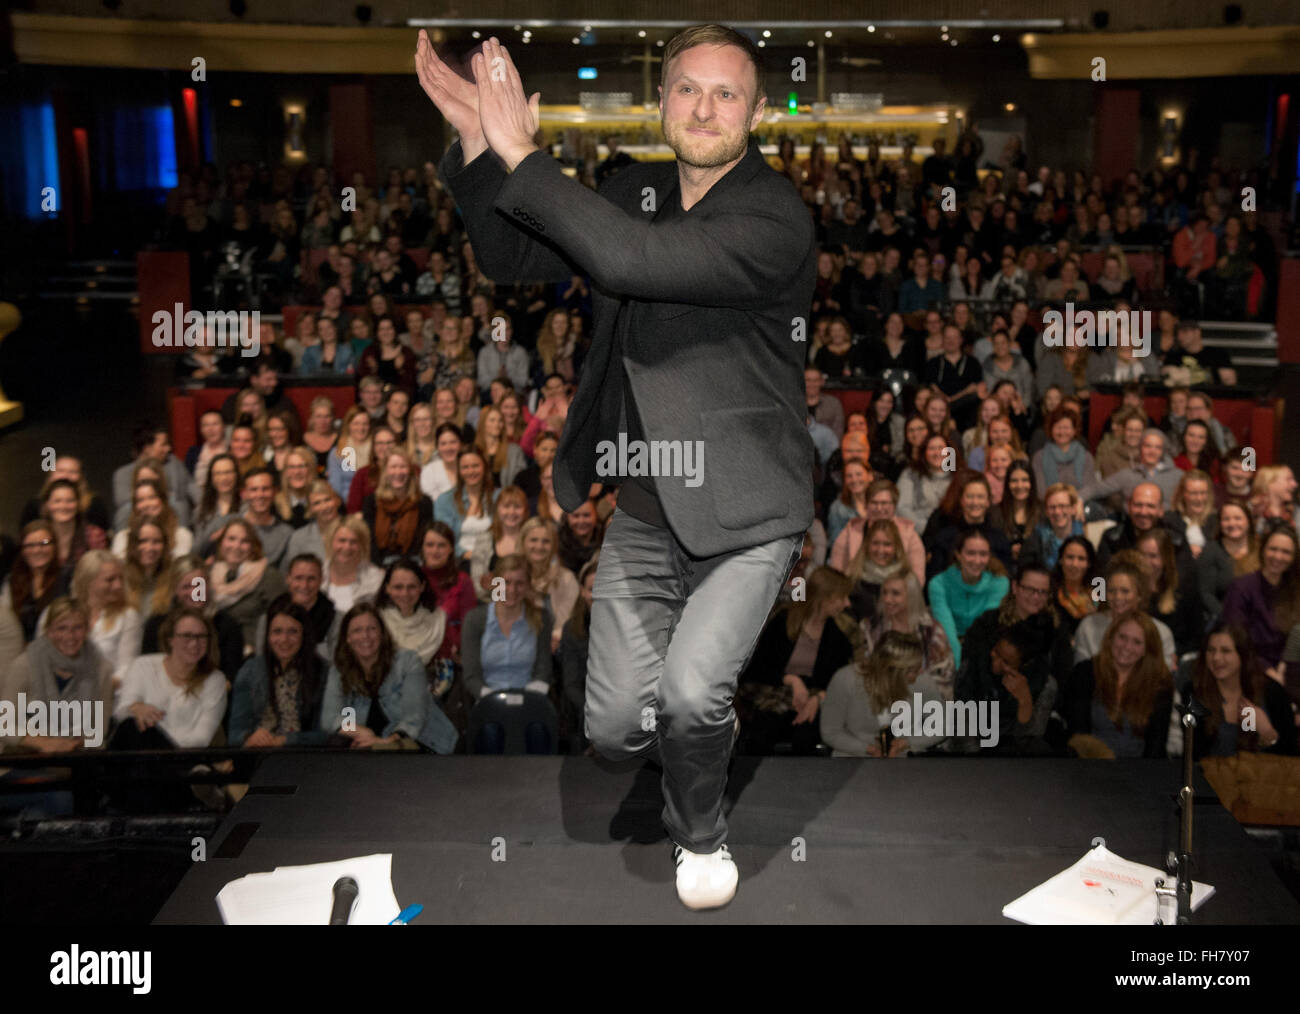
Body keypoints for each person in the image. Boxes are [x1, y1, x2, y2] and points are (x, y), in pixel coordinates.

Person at [423, 23, 815, 910]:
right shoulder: (631, 190)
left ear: (756, 111)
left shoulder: (773, 214)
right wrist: (480, 146)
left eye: (726, 94)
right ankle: (691, 736)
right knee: (610, 726)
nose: (705, 108)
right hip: (644, 504)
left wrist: (527, 154)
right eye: (687, 89)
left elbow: (633, 261)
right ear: (662, 100)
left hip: (750, 509)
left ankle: (701, 834)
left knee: (687, 696)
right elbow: (511, 254)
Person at [738, 566, 853, 756]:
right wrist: (791, 680)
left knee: (808, 732)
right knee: (764, 727)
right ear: (824, 597)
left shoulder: (839, 635)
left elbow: (840, 680)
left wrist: (817, 698)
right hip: (772, 690)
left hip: (814, 696)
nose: (847, 604)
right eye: (841, 597)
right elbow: (757, 668)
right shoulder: (783, 621)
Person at [320, 602, 458, 753]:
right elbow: (331, 717)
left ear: (382, 633)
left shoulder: (408, 662)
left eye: (372, 629)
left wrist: (384, 743)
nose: (365, 636)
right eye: (357, 630)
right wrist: (359, 732)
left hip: (421, 744)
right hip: (369, 749)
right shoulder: (340, 670)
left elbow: (414, 717)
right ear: (348, 638)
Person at [460, 554, 555, 752]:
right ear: (495, 583)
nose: (511, 590)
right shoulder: (475, 619)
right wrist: (493, 700)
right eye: (505, 582)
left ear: (528, 585)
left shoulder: (541, 618)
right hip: (488, 701)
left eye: (519, 583)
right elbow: (471, 675)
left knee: (538, 730)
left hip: (530, 700)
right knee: (490, 732)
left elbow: (543, 668)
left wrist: (528, 699)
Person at [0, 597, 113, 754]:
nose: (70, 636)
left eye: (77, 628)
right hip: (26, 756)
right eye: (61, 628)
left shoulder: (101, 669)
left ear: (87, 630)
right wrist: (44, 742)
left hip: (77, 756)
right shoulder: (24, 665)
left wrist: (68, 745)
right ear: (49, 631)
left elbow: (99, 729)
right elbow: (4, 724)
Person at [112, 606, 227, 750]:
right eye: (187, 636)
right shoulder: (143, 665)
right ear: (170, 639)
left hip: (182, 758)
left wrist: (159, 741)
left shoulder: (215, 680)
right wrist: (136, 708)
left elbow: (201, 739)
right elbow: (121, 713)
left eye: (201, 637)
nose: (194, 643)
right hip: (140, 753)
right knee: (131, 726)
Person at [1063, 612, 1173, 758]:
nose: (1127, 647)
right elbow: (1077, 734)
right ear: (1111, 638)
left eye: (1137, 642)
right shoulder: (1085, 672)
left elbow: (1156, 747)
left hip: (1140, 772)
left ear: (1148, 649)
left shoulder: (1160, 684)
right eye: (1122, 637)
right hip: (1089, 765)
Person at [229, 596, 330, 748]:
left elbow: (328, 734)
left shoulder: (323, 672)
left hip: (306, 759)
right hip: (259, 757)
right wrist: (249, 738)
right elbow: (234, 734)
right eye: (277, 632)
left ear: (304, 635)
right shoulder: (250, 670)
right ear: (268, 636)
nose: (284, 639)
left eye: (293, 632)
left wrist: (286, 740)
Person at [821, 631, 942, 757]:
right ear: (894, 672)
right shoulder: (846, 679)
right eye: (913, 670)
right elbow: (830, 731)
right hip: (852, 758)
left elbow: (942, 726)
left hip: (906, 759)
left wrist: (908, 742)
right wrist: (867, 749)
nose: (920, 672)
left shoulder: (922, 680)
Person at [1190, 624, 1297, 758]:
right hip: (1210, 776)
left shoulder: (1272, 692)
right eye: (1211, 650)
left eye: (1225, 651)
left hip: (1263, 776)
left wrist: (1267, 732)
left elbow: (1291, 754)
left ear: (1243, 655)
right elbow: (1192, 756)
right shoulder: (1194, 692)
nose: (1216, 658)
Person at [1219, 523, 1300, 670]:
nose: (1278, 556)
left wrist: (1284, 668)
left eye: (1286, 552)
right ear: (1263, 550)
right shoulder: (1241, 588)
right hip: (1249, 667)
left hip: (1288, 668)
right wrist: (1268, 671)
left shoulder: (1295, 590)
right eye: (1273, 549)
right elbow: (1236, 640)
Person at [1074, 556, 1177, 670]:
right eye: (1112, 591)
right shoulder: (1088, 627)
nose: (1118, 597)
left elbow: (1163, 678)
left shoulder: (1160, 632)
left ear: (1139, 595)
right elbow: (1080, 673)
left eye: (1125, 591)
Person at [927, 528, 1009, 669]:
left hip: (984, 647)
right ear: (958, 555)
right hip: (947, 646)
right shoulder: (938, 584)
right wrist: (959, 669)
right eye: (971, 553)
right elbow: (947, 630)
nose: (977, 560)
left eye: (983, 554)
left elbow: (986, 629)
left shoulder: (1000, 583)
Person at [828, 478, 925, 582]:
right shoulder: (851, 531)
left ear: (894, 505)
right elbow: (836, 574)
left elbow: (917, 579)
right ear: (866, 505)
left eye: (884, 503)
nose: (879, 508)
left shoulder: (909, 534)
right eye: (874, 503)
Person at [922, 471, 1012, 581]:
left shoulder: (999, 539)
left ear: (988, 501)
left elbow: (1006, 577)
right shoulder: (945, 537)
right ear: (961, 501)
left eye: (980, 497)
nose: (975, 502)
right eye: (970, 497)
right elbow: (935, 578)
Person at [67, 550, 141, 684]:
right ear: (88, 581)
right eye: (110, 580)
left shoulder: (128, 617)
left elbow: (126, 669)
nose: (118, 585)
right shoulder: (63, 614)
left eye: (120, 578)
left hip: (107, 696)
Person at [361, 448, 435, 566]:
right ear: (385, 471)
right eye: (393, 467)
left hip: (413, 562)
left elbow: (422, 541)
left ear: (410, 471)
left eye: (403, 467)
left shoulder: (423, 502)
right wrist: (380, 567)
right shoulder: (371, 501)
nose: (398, 472)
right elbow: (369, 541)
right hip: (379, 563)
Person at [2, 520, 71, 644]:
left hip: (60, 648)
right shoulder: (12, 581)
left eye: (44, 543)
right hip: (20, 651)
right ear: (22, 549)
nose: (37, 550)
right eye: (30, 545)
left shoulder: (68, 577)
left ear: (55, 546)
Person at [418, 521, 478, 661]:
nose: (435, 551)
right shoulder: (413, 579)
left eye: (442, 545)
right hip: (418, 652)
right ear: (422, 548)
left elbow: (468, 624)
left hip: (452, 655)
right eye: (430, 545)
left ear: (451, 549)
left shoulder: (463, 581)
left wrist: (459, 648)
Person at [375, 558, 447, 668]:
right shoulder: (375, 621)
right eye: (398, 587)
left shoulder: (438, 619)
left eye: (412, 587)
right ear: (387, 588)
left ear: (422, 587)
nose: (405, 594)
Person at [433, 448, 498, 564]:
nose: (471, 471)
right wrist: (464, 553)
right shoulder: (445, 500)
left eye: (475, 466)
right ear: (459, 470)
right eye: (465, 467)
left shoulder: (498, 497)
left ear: (485, 467)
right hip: (459, 561)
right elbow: (444, 538)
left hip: (493, 560)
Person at [1198, 498, 1258, 623]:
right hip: (1224, 621)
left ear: (1248, 521)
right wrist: (1230, 618)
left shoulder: (1262, 549)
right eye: (1226, 519)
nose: (1232, 523)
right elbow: (1206, 594)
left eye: (1238, 518)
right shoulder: (1211, 550)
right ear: (1220, 523)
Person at [321, 516, 384, 613]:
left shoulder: (377, 579)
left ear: (362, 545)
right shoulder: (317, 573)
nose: (347, 547)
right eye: (342, 540)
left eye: (354, 542)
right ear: (330, 542)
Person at [897, 432, 954, 531]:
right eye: (932, 448)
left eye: (941, 448)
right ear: (924, 452)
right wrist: (927, 530)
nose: (937, 453)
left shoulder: (958, 476)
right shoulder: (910, 474)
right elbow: (902, 508)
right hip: (918, 532)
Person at [1020, 483, 1084, 571]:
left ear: (1073, 509)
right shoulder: (1035, 539)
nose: (1057, 512)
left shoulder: (1086, 535)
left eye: (1062, 506)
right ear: (1046, 511)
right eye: (1052, 507)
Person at [1049, 534, 1098, 637]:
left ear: (1089, 563)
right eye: (1070, 557)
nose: (1075, 564)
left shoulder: (1098, 587)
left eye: (1081, 559)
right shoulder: (1049, 590)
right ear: (1061, 560)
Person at [327, 406, 372, 503]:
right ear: (348, 425)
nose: (361, 428)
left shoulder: (376, 449)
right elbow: (336, 488)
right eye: (356, 424)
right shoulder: (337, 453)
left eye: (365, 424)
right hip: (347, 504)